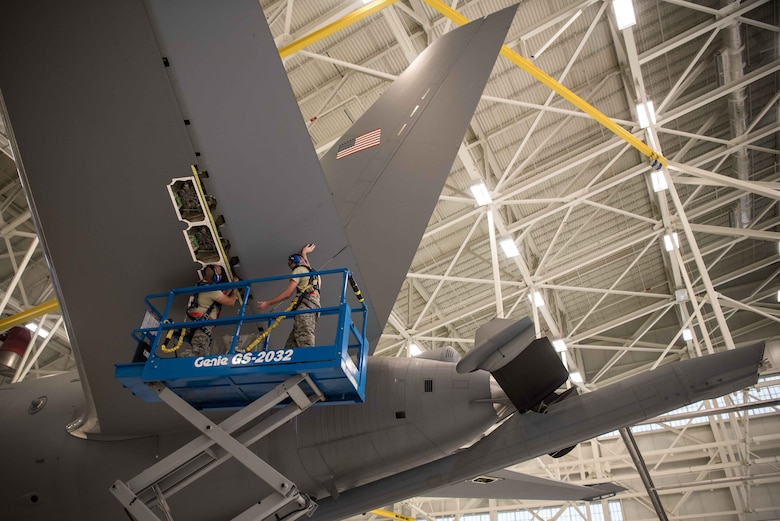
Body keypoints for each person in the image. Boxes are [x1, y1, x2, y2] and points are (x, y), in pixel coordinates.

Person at [256, 243, 321, 348]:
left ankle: (308, 361)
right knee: (293, 344)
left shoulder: (298, 270)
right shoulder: (312, 273)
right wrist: (304, 253)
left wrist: (268, 303)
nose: (291, 267)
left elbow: (287, 294)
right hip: (313, 308)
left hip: (305, 307)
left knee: (304, 338)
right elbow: (306, 264)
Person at [182, 264, 239, 356]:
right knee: (200, 351)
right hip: (203, 325)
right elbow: (231, 302)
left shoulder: (201, 285)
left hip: (198, 323)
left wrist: (232, 285)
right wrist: (236, 286)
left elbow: (219, 298)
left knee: (199, 347)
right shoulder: (211, 290)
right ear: (216, 277)